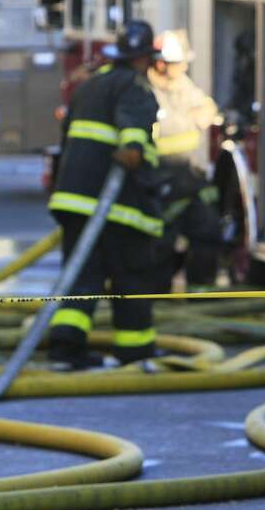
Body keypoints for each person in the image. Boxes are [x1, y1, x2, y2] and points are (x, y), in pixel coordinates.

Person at [47, 20, 162, 369]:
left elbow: (68, 140)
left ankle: (64, 350)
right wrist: (133, 148)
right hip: (115, 206)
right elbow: (132, 140)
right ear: (144, 59)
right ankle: (135, 350)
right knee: (131, 276)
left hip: (73, 200)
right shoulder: (135, 88)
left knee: (80, 276)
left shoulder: (88, 86)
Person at [147, 30, 223, 290]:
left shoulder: (181, 84)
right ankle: (157, 300)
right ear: (160, 64)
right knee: (158, 247)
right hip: (157, 184)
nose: (183, 68)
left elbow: (208, 108)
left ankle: (199, 295)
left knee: (209, 232)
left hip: (188, 181)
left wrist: (197, 114)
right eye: (178, 64)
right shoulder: (143, 90)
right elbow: (160, 129)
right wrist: (187, 120)